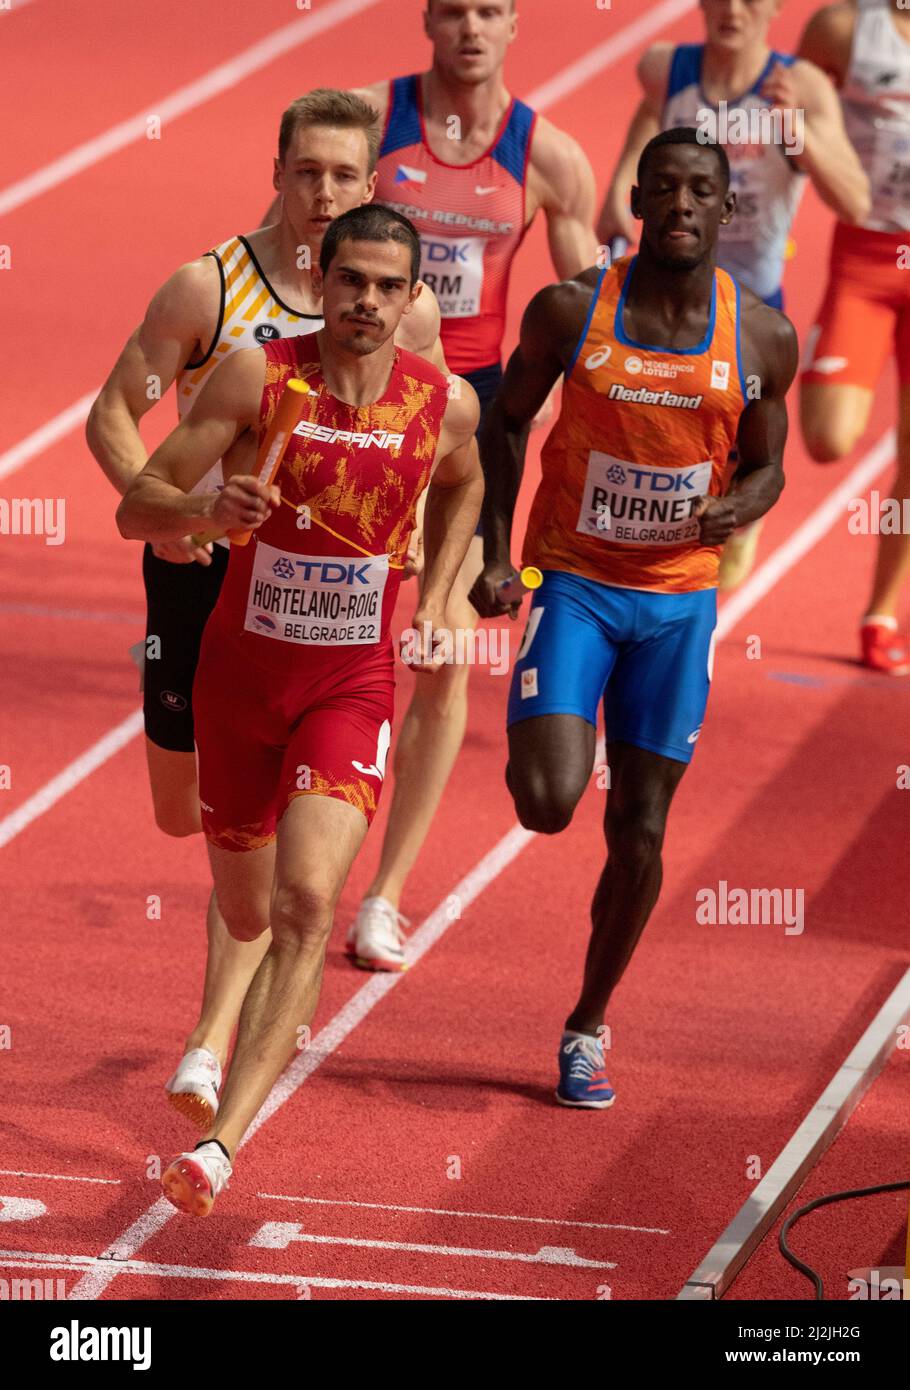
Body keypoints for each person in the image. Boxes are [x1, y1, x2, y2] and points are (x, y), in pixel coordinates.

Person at [87, 90, 446, 1130]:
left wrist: (421, 530)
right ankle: (237, 974)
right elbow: (115, 414)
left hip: (325, 606)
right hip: (203, 571)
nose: (321, 193)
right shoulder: (209, 289)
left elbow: (427, 434)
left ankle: (213, 1040)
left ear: (369, 186)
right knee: (183, 812)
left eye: (343, 176)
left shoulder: (399, 304)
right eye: (306, 173)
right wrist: (178, 515)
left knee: (303, 859)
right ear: (277, 172)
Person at [117, 206, 484, 1213]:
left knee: (308, 902)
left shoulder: (441, 402)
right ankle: (217, 1035)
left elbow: (467, 481)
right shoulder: (257, 376)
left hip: (348, 685)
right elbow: (134, 504)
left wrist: (446, 589)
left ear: (416, 297)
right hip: (236, 684)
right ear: (322, 279)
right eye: (349, 280)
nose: (366, 301)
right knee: (247, 907)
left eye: (386, 285)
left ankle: (222, 1145)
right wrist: (205, 512)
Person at [471, 129, 798, 1107]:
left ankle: (585, 1024)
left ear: (726, 210)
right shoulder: (573, 309)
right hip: (573, 579)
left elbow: (769, 458)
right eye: (666, 189)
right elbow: (505, 419)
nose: (685, 205)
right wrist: (494, 550)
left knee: (641, 828)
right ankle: (542, 719)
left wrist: (742, 504)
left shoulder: (762, 336)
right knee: (546, 801)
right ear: (639, 203)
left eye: (703, 190)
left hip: (676, 604)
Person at [334, 0, 601, 968]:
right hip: (365, 401)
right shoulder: (370, 122)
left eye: (490, 11)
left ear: (515, 24)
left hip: (476, 422)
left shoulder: (549, 157)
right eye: (455, 12)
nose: (472, 30)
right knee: (335, 628)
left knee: (441, 643)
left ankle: (385, 894)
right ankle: (312, 830)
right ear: (427, 23)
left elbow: (586, 322)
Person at [597, 0, 868, 590]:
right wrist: (618, 216)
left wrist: (798, 131)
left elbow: (855, 200)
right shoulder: (664, 69)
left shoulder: (803, 85)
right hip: (668, 296)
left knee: (740, 459)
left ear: (774, 7)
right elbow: (625, 183)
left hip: (749, 308)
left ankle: (733, 536)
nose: (732, 9)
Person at [798, 0, 910, 673]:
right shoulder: (843, 28)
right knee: (828, 438)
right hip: (866, 258)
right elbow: (786, 111)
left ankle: (881, 612)